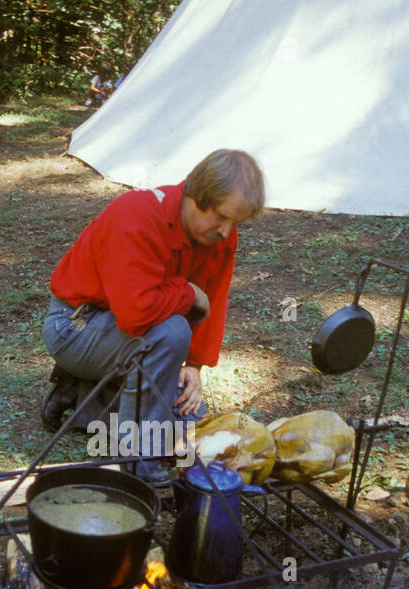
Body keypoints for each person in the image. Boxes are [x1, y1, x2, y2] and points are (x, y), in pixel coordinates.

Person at [40, 148, 266, 483]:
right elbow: (138, 313)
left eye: (236, 222)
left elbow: (212, 302)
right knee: (171, 333)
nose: (226, 230)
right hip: (75, 326)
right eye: (221, 216)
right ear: (194, 194)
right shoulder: (137, 214)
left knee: (191, 428)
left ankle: (82, 397)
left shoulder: (220, 234)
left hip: (132, 334)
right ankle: (137, 459)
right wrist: (189, 294)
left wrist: (193, 366)